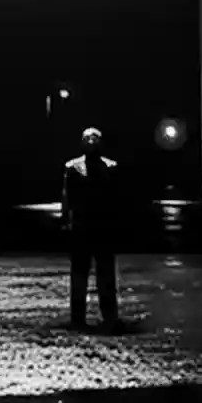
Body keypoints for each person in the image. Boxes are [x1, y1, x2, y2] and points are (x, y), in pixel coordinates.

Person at [62, 126, 123, 330]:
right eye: (87, 139)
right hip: (82, 227)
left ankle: (110, 316)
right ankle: (77, 317)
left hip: (103, 227)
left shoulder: (111, 167)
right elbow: (67, 197)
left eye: (95, 139)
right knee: (80, 275)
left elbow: (116, 198)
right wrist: (66, 220)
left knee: (105, 276)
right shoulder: (72, 167)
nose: (91, 142)